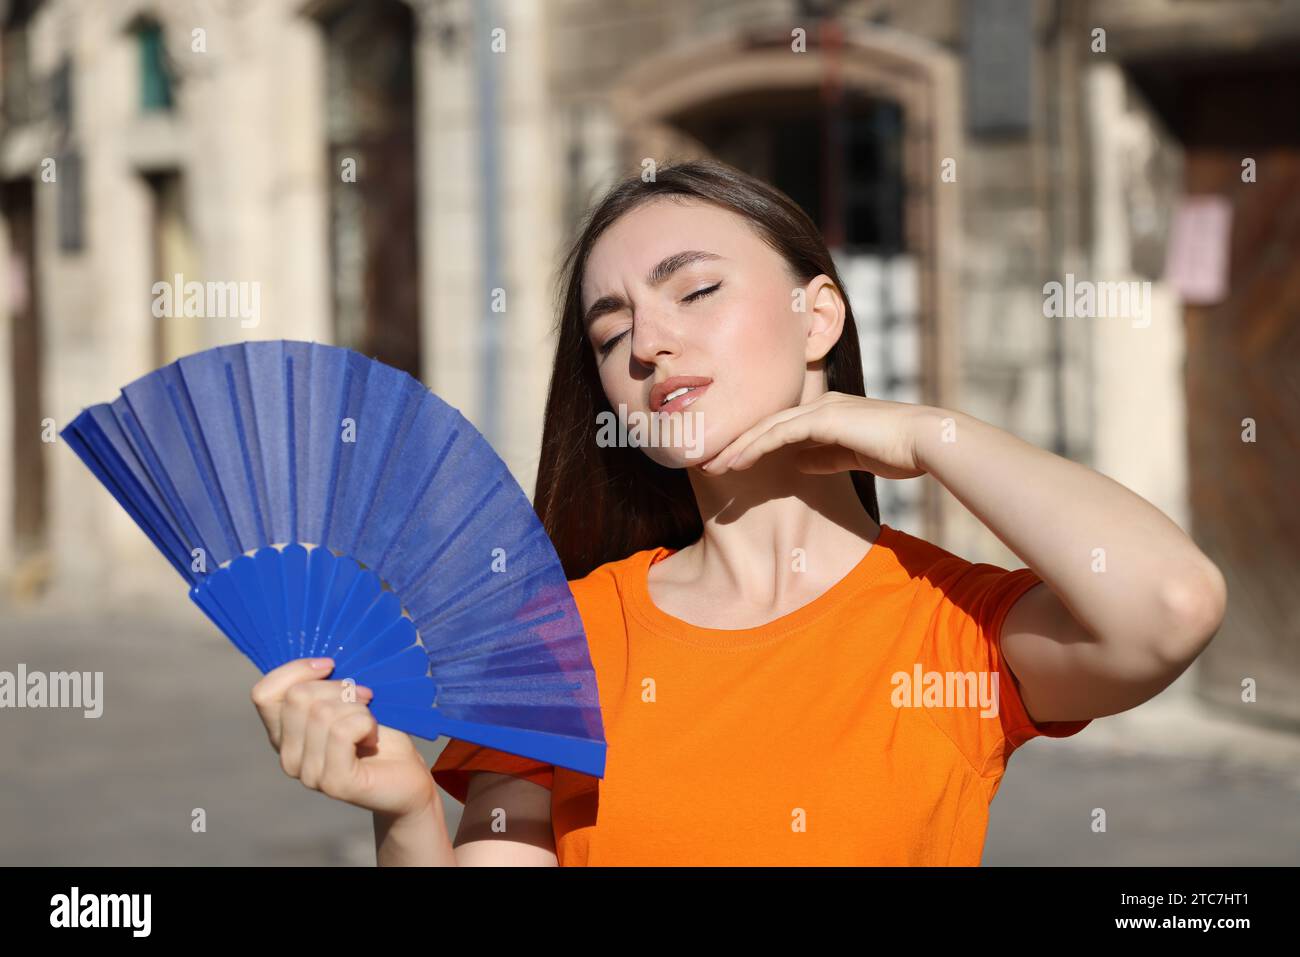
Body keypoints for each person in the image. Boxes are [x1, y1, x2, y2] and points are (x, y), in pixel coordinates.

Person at [251, 159, 1227, 866]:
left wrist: (929, 433)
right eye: (610, 329)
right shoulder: (561, 639)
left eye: (695, 291)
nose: (648, 342)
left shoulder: (947, 628)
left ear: (819, 319)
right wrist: (406, 809)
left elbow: (1171, 603)